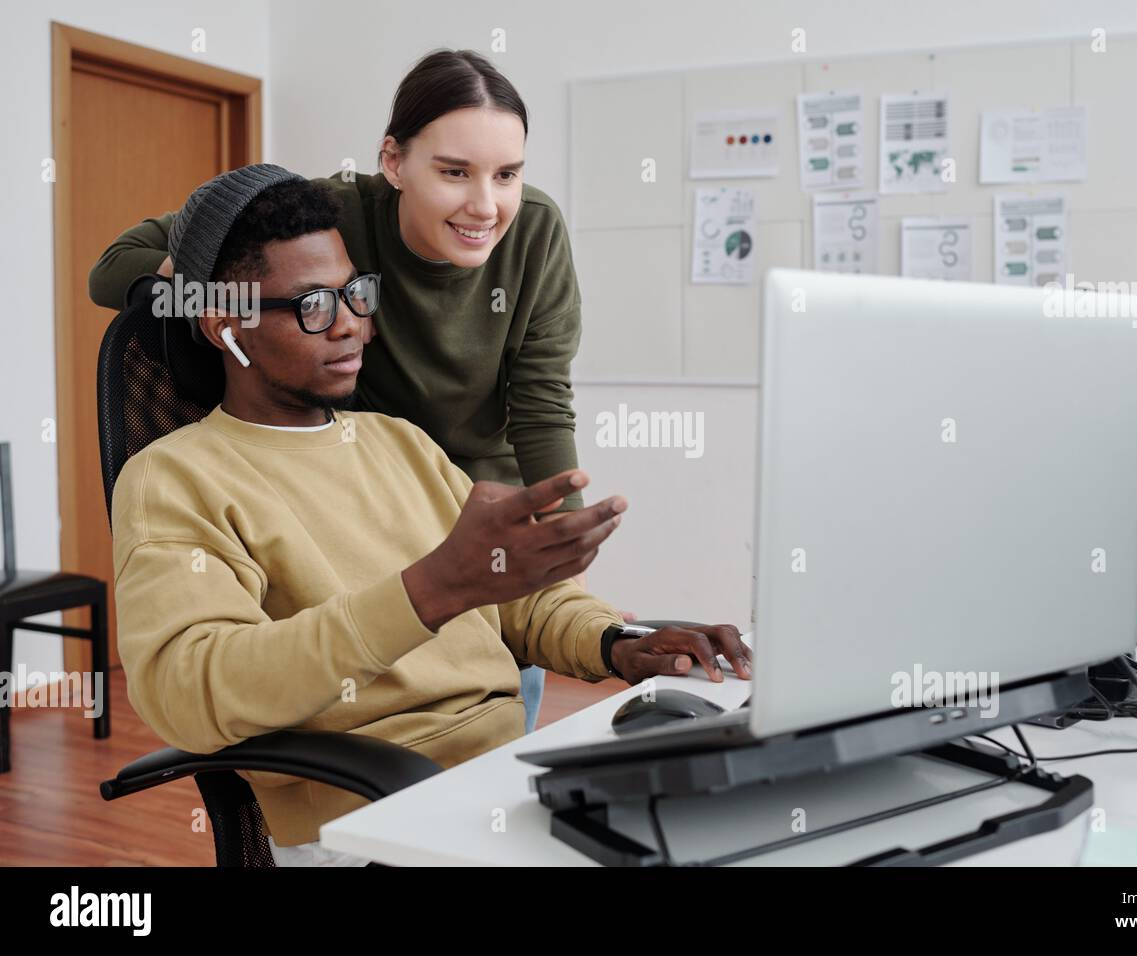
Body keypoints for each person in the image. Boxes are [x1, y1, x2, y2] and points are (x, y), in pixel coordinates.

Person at [111, 165, 752, 866]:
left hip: (511, 775)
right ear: (225, 323)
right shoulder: (173, 479)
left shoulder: (398, 442)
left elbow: (519, 606)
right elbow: (192, 691)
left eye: (356, 293)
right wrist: (430, 591)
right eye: (315, 305)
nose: (355, 323)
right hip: (370, 818)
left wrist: (616, 642)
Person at [89, 49, 599, 732]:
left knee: (502, 707)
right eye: (453, 172)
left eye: (507, 174)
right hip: (349, 506)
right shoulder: (325, 214)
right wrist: (212, 294)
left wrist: (591, 602)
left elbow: (541, 403)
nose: (485, 203)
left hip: (441, 486)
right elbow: (200, 686)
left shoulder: (529, 235)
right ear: (393, 162)